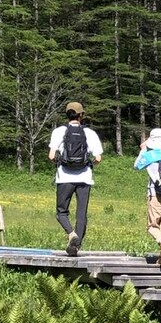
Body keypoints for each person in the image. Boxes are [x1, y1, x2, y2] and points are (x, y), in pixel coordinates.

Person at [48, 101, 103, 256]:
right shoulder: (89, 133)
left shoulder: (59, 131)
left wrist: (60, 162)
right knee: (81, 214)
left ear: (67, 114)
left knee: (61, 212)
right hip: (85, 177)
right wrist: (88, 164)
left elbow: (51, 156)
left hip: (64, 176)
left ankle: (71, 234)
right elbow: (98, 158)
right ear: (81, 115)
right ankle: (76, 247)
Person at [132, 127, 161, 267]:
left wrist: (143, 149)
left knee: (152, 226)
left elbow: (136, 166)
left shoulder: (149, 156)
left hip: (156, 194)